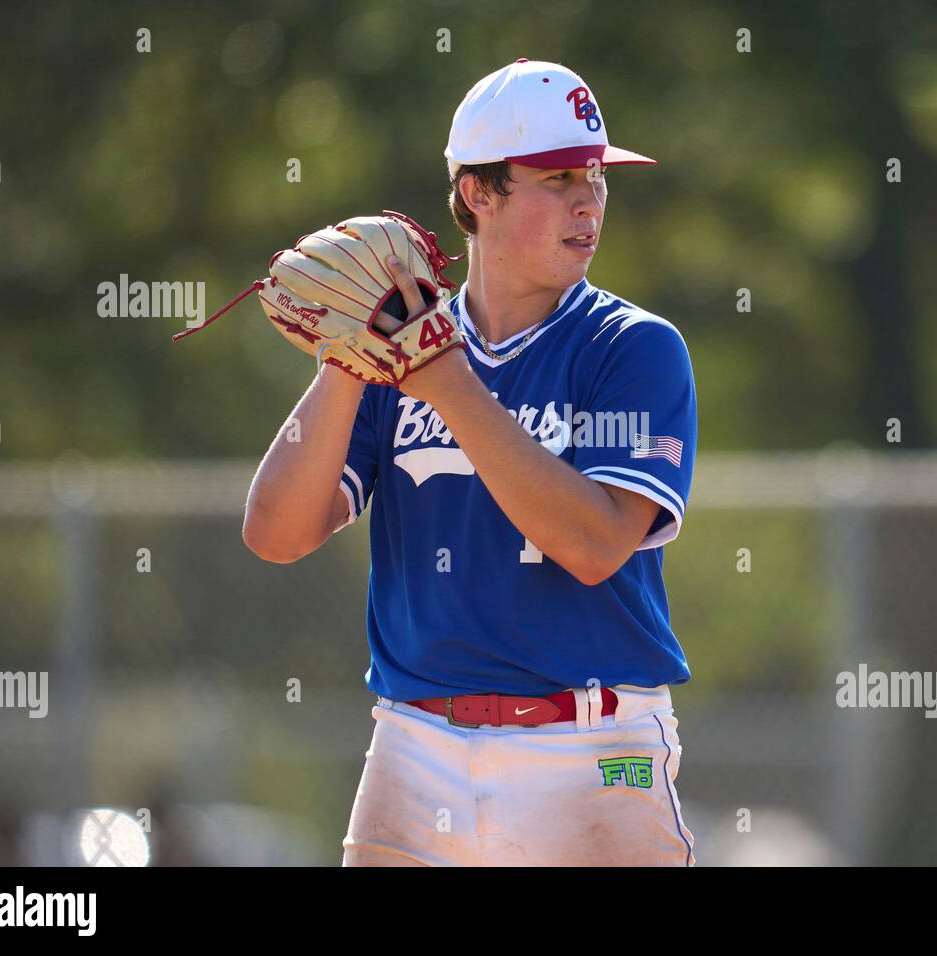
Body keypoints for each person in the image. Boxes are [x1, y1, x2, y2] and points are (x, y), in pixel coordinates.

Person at [242, 59, 698, 866]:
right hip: (415, 744)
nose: (588, 199)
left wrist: (441, 377)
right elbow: (275, 535)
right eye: (557, 178)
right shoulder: (389, 363)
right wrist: (346, 359)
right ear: (477, 195)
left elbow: (594, 547)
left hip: (591, 747)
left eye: (595, 174)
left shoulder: (631, 348)